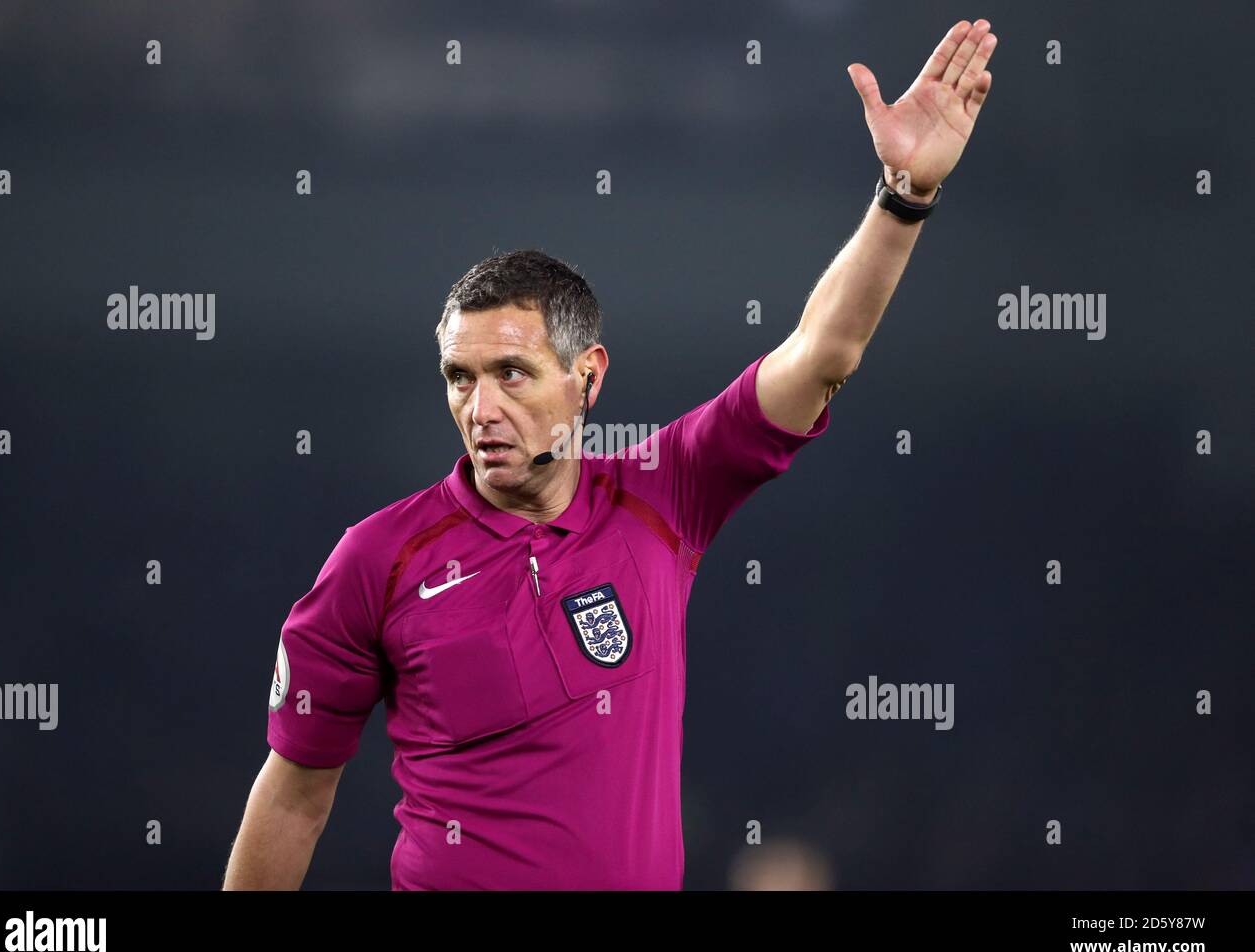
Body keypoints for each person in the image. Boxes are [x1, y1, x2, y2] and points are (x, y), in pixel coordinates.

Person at [223, 18, 997, 890]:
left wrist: (902, 197)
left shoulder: (664, 492)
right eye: (459, 377)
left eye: (512, 374)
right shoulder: (377, 559)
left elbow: (821, 354)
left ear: (586, 376)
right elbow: (294, 798)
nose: (480, 408)